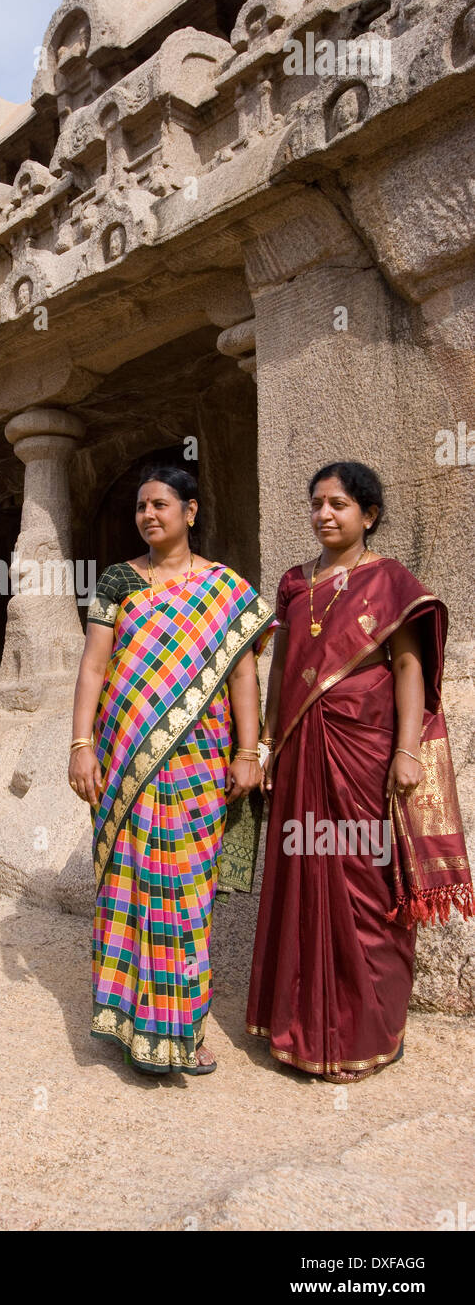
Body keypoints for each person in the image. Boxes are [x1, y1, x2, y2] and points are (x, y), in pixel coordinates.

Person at [247, 461, 473, 1083]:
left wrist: (406, 751)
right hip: (300, 755)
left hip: (365, 753)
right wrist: (266, 743)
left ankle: (367, 1029)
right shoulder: (295, 583)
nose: (325, 514)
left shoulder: (390, 581)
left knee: (368, 887)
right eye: (317, 503)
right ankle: (302, 1029)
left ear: (368, 515)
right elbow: (283, 668)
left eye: (339, 504)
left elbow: (409, 670)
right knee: (303, 880)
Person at [70, 466, 276, 1075]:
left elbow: (243, 676)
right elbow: (92, 667)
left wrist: (248, 752)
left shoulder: (227, 589)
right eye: (140, 507)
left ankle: (180, 1030)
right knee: (127, 890)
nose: (148, 515)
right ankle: (132, 1025)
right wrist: (81, 743)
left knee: (186, 896)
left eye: (161, 504)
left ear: (190, 511)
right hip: (125, 760)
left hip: (199, 766)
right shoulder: (116, 583)